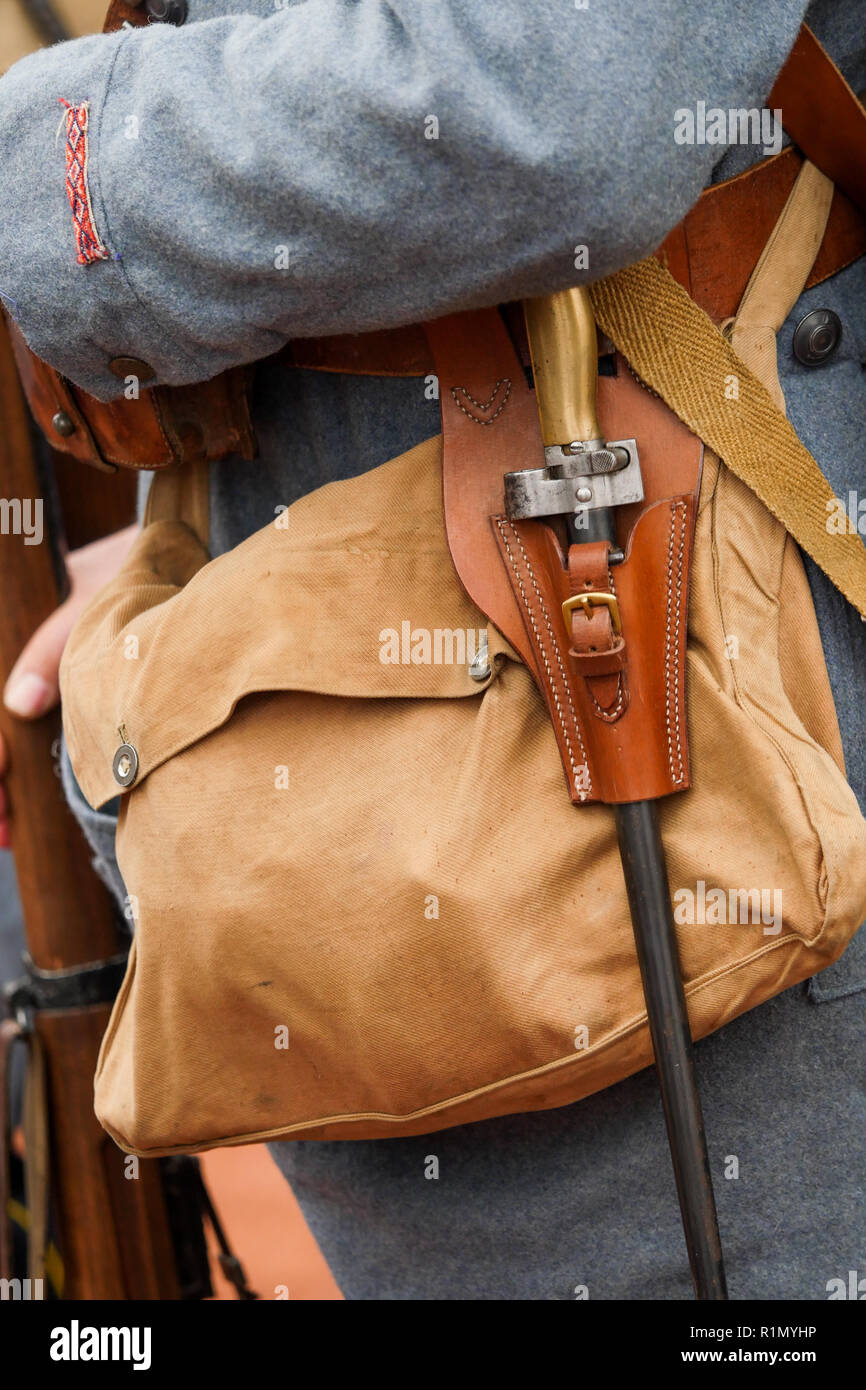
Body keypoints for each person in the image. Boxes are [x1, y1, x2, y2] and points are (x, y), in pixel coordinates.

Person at [1, 0, 864, 1299]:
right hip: (377, 837)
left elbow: (560, 102)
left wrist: (47, 161)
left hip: (728, 789)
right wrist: (255, 562)